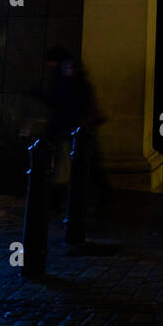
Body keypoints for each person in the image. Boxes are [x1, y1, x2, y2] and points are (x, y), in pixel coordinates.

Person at [44, 46, 110, 210]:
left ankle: (56, 201)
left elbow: (64, 100)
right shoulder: (72, 72)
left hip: (71, 124)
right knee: (90, 162)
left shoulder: (64, 75)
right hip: (79, 124)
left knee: (65, 166)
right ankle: (104, 194)